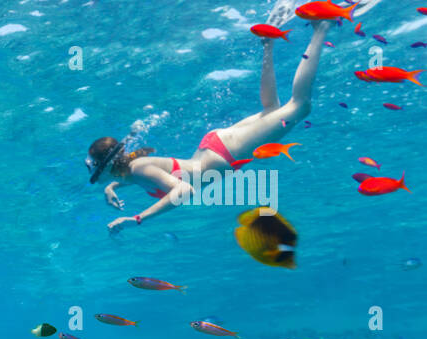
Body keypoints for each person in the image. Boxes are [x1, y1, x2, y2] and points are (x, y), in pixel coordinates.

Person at [87, 20, 331, 231]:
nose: (88, 168)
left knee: (299, 106)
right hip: (214, 148)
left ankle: (321, 28)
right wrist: (112, 185)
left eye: (91, 164)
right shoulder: (130, 171)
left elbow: (184, 191)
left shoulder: (137, 168)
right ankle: (268, 43)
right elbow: (143, 176)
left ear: (106, 164)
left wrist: (138, 218)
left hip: (225, 153)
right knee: (271, 111)